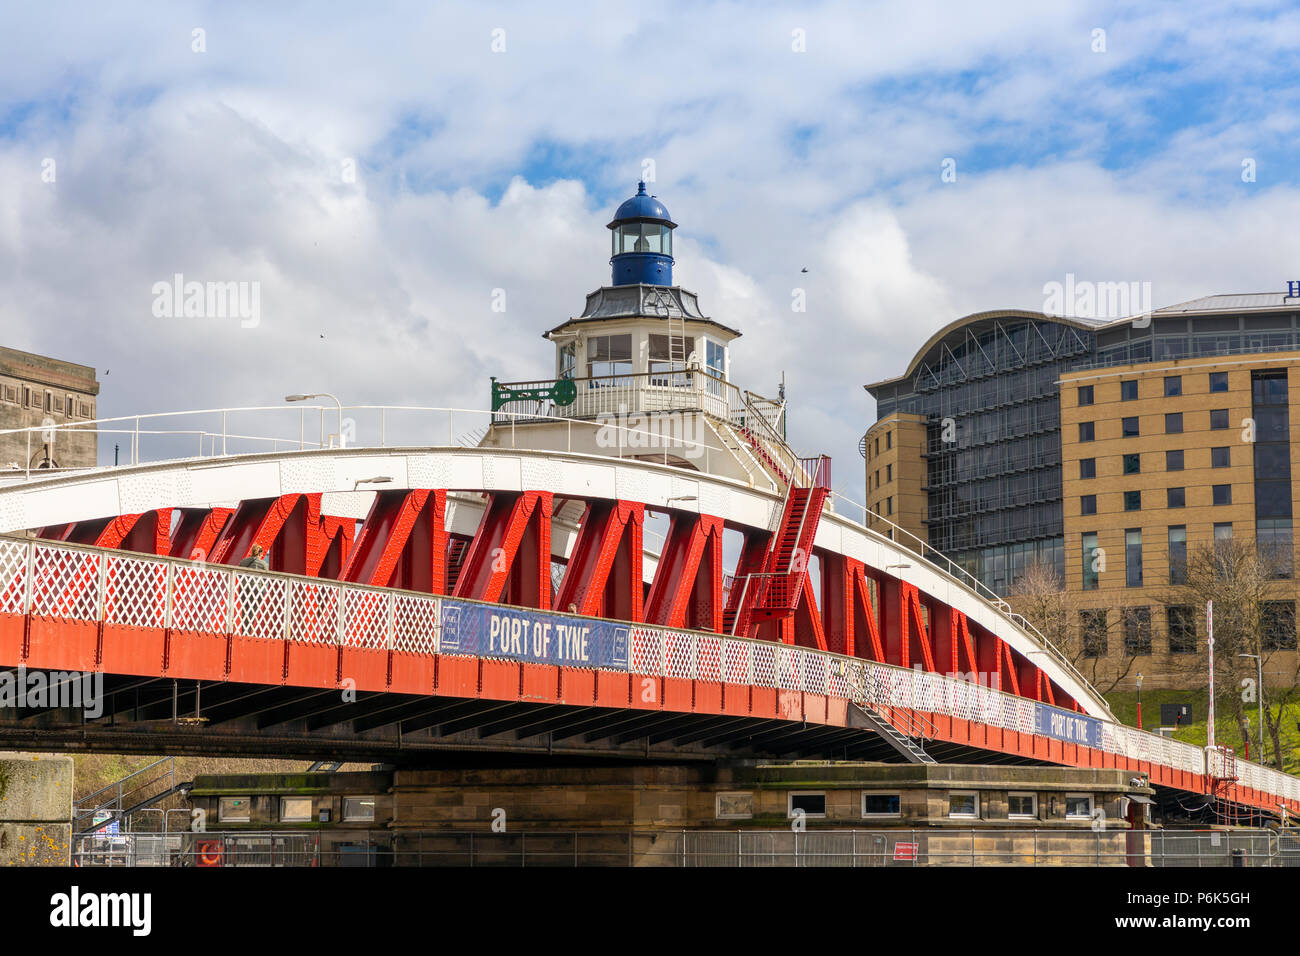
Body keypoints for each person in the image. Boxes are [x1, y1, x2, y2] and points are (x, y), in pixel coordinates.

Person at [237, 544, 270, 632]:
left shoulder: (244, 561)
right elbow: (267, 577)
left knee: (245, 608)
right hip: (256, 589)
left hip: (244, 588)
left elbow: (239, 573)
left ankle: (244, 629)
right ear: (260, 554)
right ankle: (248, 630)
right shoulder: (263, 563)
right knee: (253, 610)